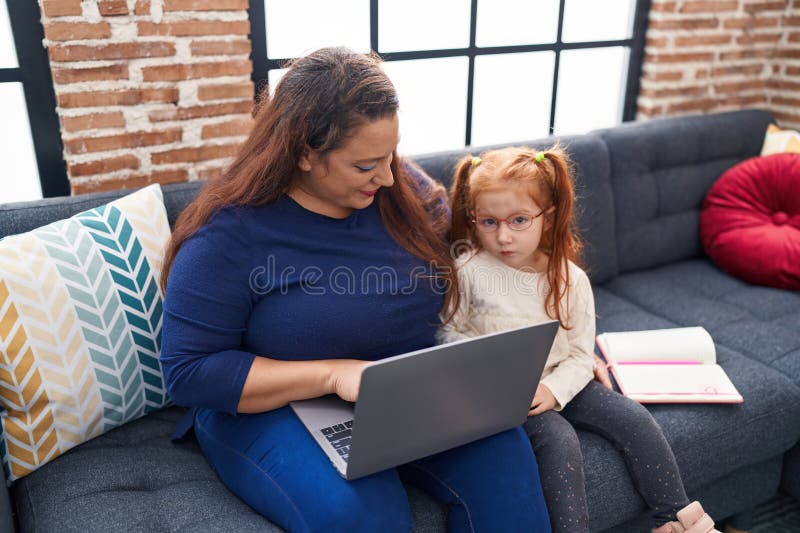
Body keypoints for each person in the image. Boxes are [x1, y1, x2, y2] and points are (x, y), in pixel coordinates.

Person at [159, 47, 551, 533]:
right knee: (364, 513)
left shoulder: (400, 190)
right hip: (272, 409)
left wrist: (561, 341)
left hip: (403, 390)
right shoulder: (227, 237)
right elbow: (189, 371)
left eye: (391, 155)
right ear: (303, 152)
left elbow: (488, 257)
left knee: (505, 458)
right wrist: (332, 375)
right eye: (366, 165)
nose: (387, 176)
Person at [438, 146, 721, 533]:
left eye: (519, 220)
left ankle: (676, 518)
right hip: (505, 393)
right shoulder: (468, 269)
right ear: (473, 219)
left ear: (547, 218)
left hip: (563, 377)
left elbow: (578, 354)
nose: (502, 235)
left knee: (634, 419)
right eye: (488, 222)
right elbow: (449, 333)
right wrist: (493, 382)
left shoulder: (569, 279)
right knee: (558, 440)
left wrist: (553, 390)